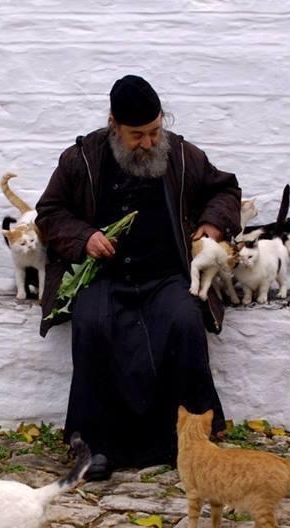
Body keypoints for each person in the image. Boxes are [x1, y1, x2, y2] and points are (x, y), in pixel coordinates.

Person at [35, 75, 242, 481]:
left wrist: (211, 225)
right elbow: (50, 213)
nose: (148, 143)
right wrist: (85, 237)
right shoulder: (80, 159)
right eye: (137, 135)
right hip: (103, 276)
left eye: (154, 131)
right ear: (114, 124)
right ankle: (96, 446)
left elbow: (225, 191)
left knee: (184, 320)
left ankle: (188, 442)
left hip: (166, 275)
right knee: (92, 323)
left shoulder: (182, 155)